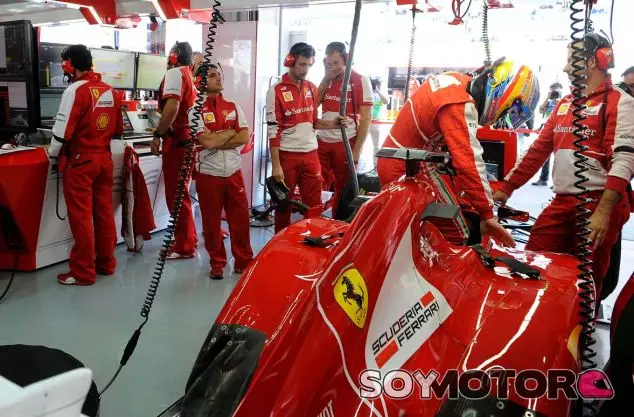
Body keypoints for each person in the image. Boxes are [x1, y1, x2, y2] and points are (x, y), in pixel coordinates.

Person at [493, 33, 634, 297]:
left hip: (599, 203)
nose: (566, 68)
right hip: (561, 202)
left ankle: (580, 335)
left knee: (586, 281)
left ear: (593, 62)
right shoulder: (564, 104)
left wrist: (603, 213)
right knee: (534, 261)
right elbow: (537, 152)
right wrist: (505, 189)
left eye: (572, 61)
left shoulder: (621, 103)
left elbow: (624, 161)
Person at [377, 59, 540, 248]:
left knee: (464, 211)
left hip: (412, 159)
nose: (507, 118)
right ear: (503, 93)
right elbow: (468, 161)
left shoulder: (458, 82)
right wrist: (487, 215)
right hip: (407, 165)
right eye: (513, 111)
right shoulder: (459, 102)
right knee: (458, 232)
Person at [48, 44, 123, 285]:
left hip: (81, 161)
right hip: (105, 159)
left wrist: (52, 156)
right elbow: (118, 130)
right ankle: (106, 264)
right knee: (104, 213)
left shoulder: (74, 90)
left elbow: (61, 133)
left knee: (81, 217)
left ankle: (82, 272)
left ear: (69, 64)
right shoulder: (112, 91)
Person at [266, 42, 349, 233]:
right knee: (283, 206)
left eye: (309, 65)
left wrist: (333, 123)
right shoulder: (275, 91)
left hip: (311, 155)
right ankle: (281, 244)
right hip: (287, 156)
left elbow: (313, 121)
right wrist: (276, 165)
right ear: (291, 61)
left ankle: (315, 240)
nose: (305, 70)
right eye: (302, 64)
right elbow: (273, 130)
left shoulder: (311, 87)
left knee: (315, 205)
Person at [189, 63, 253, 279]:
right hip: (208, 174)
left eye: (219, 75)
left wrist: (219, 137)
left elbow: (244, 136)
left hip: (234, 172)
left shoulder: (234, 106)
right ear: (200, 82)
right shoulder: (194, 111)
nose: (218, 79)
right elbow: (206, 142)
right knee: (211, 222)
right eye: (213, 76)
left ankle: (243, 262)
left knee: (241, 219)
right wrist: (228, 133)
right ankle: (217, 263)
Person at [151, 41, 198, 259]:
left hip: (177, 143)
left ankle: (184, 246)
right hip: (187, 142)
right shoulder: (188, 74)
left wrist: (158, 135)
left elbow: (171, 107)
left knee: (177, 196)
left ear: (173, 56)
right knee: (183, 194)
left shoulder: (174, 74)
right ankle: (189, 238)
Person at [316, 42, 373, 215]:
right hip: (323, 141)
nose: (333, 67)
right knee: (316, 184)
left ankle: (339, 221)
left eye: (336, 63)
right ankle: (315, 220)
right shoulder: (327, 80)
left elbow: (366, 118)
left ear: (346, 60)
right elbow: (313, 105)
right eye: (329, 63)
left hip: (346, 142)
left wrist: (357, 150)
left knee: (344, 188)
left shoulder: (360, 80)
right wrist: (326, 78)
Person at [532, 82, 563, 186]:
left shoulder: (564, 101)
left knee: (559, 157)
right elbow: (541, 110)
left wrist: (559, 99)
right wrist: (548, 97)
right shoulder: (548, 100)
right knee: (545, 156)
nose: (554, 92)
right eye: (552, 90)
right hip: (546, 127)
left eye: (556, 90)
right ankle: (543, 179)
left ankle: (557, 182)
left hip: (559, 129)